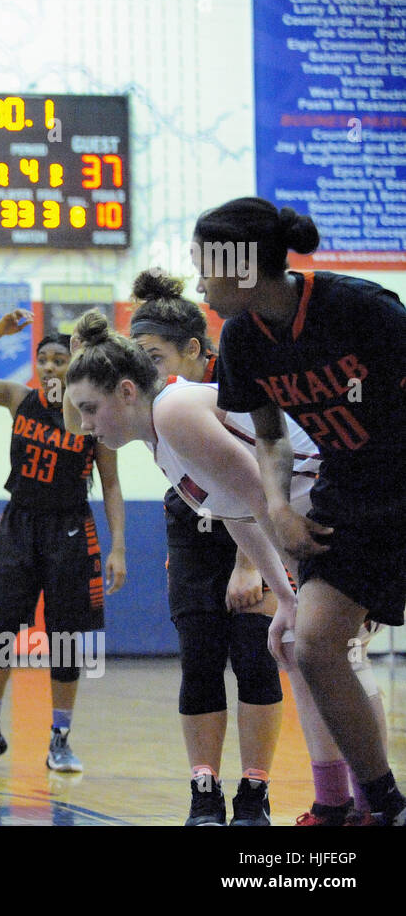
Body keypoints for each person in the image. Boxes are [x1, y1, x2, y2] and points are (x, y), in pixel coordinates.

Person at [65, 308, 387, 826]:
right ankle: (341, 806)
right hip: (325, 517)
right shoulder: (157, 438)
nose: (84, 425)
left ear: (126, 392)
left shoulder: (172, 411)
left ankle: (378, 805)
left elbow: (266, 496)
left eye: (88, 408)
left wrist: (298, 584)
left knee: (335, 655)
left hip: (357, 501)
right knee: (309, 655)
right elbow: (239, 512)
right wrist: (285, 597)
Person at [193, 196, 406, 825]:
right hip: (352, 494)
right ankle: (384, 804)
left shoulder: (360, 310)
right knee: (311, 646)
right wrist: (279, 506)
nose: (199, 282)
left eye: (206, 267)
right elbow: (269, 436)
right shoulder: (242, 340)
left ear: (241, 267)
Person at [124, 271, 283, 825]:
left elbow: (256, 482)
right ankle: (204, 792)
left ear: (193, 350)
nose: (147, 369)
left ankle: (255, 793)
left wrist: (249, 565)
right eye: (136, 358)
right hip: (193, 521)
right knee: (199, 660)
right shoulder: (155, 397)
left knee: (256, 659)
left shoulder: (234, 378)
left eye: (153, 355)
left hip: (258, 526)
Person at [0, 310, 126, 774]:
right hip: (19, 525)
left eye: (59, 359)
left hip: (70, 528)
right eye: (43, 359)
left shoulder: (92, 416)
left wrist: (118, 546)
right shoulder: (17, 398)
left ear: (75, 365)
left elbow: (110, 485)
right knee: (1, 631)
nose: (48, 367)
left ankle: (60, 738)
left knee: (65, 638)